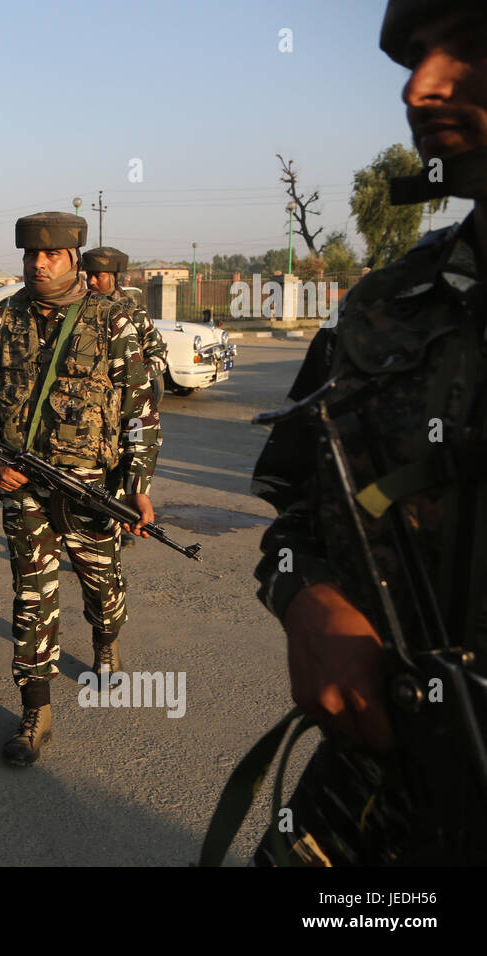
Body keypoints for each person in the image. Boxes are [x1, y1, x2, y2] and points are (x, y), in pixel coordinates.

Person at [250, 0, 487, 864]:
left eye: (472, 46)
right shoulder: (389, 308)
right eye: (417, 55)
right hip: (381, 797)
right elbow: (295, 507)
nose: (423, 86)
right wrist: (305, 596)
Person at [0, 212, 160, 767]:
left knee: (102, 585)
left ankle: (105, 641)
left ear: (74, 257)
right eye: (31, 254)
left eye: (50, 254)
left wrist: (138, 486)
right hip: (23, 488)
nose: (38, 263)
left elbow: (139, 411)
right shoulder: (6, 316)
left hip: (91, 487)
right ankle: (35, 711)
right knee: (32, 597)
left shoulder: (112, 321)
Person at [83, 246, 168, 409]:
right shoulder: (80, 312)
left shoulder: (135, 314)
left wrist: (134, 379)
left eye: (98, 276)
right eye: (88, 275)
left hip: (124, 405)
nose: (91, 281)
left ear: (114, 277)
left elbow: (159, 355)